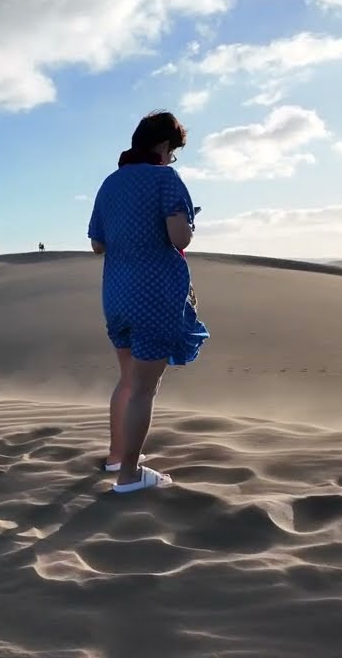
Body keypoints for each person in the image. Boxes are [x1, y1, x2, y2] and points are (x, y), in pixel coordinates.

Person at [86, 110, 209, 493]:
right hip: (154, 294)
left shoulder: (110, 184)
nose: (172, 159)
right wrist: (188, 221)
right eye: (172, 151)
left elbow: (98, 244)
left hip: (117, 295)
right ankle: (129, 476)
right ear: (162, 146)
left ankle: (115, 458)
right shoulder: (165, 179)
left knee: (127, 380)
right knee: (143, 388)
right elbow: (180, 239)